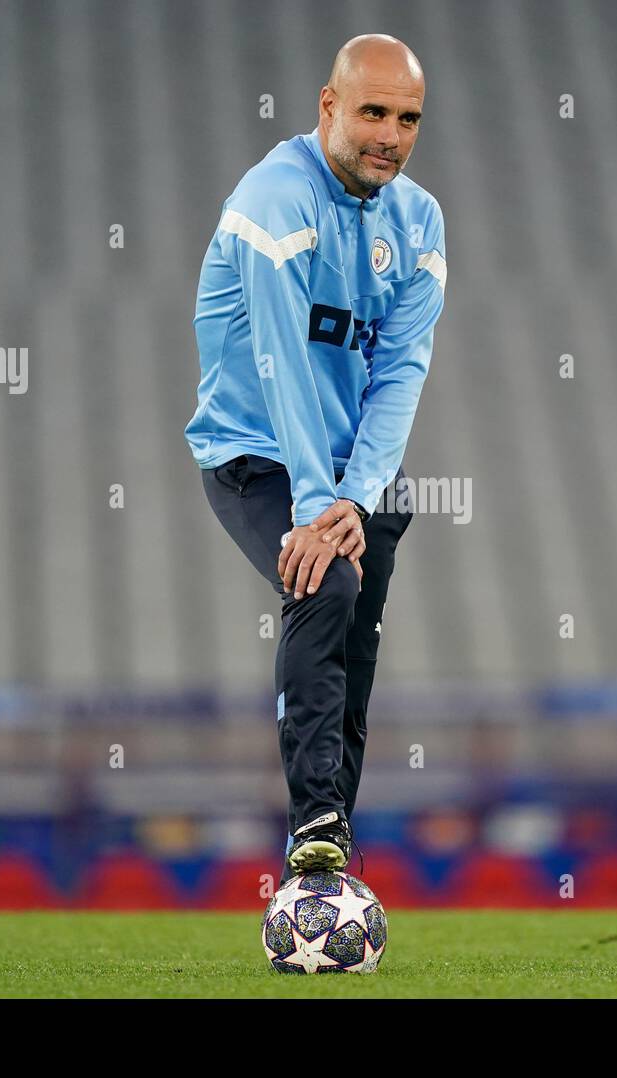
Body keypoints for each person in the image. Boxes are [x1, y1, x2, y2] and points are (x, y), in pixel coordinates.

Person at [185, 35, 446, 879]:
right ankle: (315, 819)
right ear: (328, 107)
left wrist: (358, 495)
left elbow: (402, 367)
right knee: (322, 581)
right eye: (373, 111)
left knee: (357, 637)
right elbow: (280, 364)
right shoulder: (275, 200)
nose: (391, 135)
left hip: (349, 476)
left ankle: (328, 844)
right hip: (255, 455)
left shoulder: (421, 221)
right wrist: (313, 510)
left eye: (408, 118)